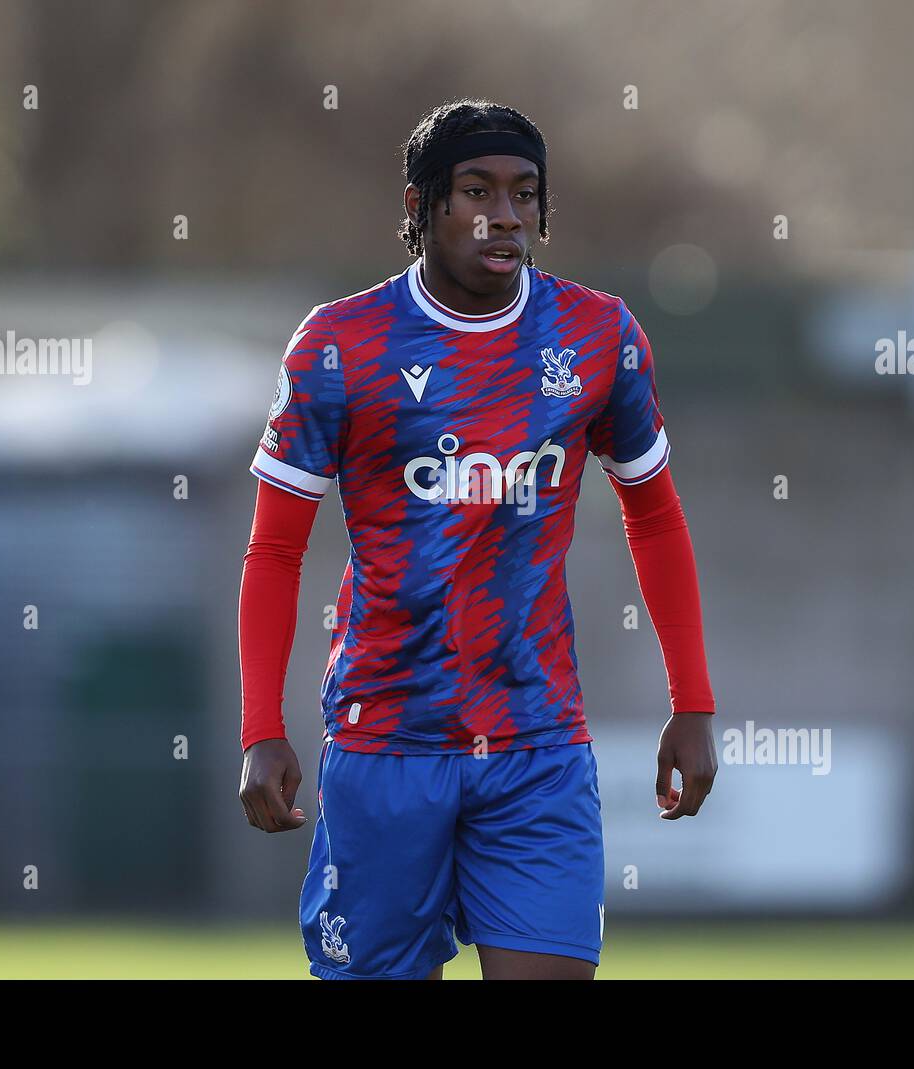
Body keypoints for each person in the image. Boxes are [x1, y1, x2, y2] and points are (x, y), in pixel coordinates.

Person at [238, 99, 717, 981]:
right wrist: (260, 726)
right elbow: (274, 552)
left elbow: (653, 512)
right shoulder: (341, 347)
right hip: (388, 741)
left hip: (538, 744)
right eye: (476, 191)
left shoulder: (597, 335)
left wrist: (693, 698)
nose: (504, 215)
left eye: (525, 194)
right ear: (421, 208)